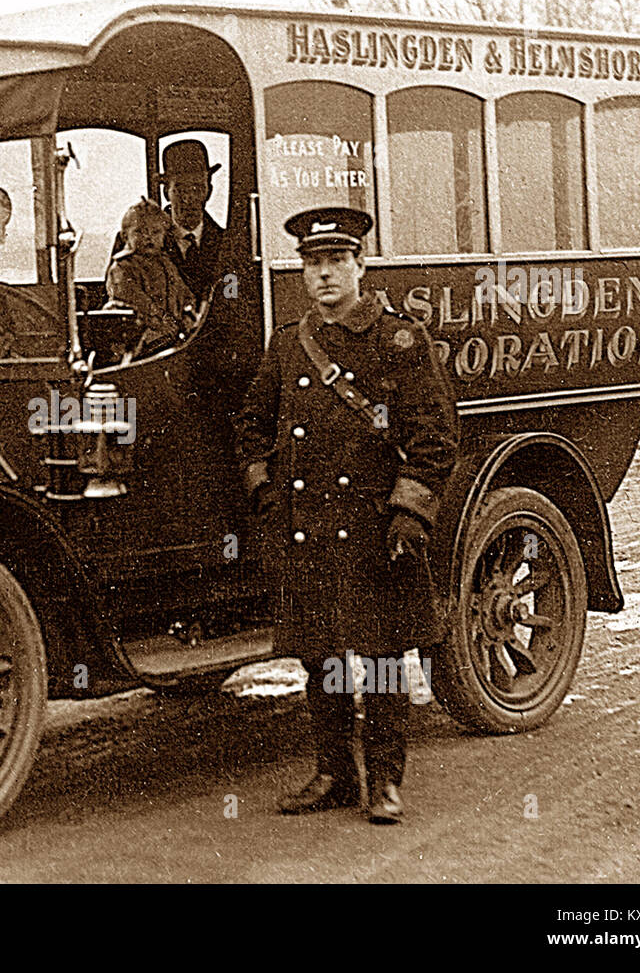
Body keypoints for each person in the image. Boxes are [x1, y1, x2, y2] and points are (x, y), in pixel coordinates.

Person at [235, 206, 459, 824]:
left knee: (382, 658)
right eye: (314, 263)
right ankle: (334, 775)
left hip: (374, 531)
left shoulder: (399, 340)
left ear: (361, 265)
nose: (326, 274)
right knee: (323, 658)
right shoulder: (288, 343)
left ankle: (385, 783)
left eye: (337, 261)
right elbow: (252, 423)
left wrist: (409, 514)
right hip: (307, 528)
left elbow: (436, 437)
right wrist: (263, 488)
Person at [108, 139, 225, 301]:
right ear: (166, 192)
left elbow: (231, 293)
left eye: (197, 188)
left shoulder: (226, 242)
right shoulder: (132, 241)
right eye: (180, 188)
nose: (188, 198)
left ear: (209, 191)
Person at [104, 198, 195, 355]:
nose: (148, 237)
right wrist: (162, 320)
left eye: (156, 232)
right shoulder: (123, 267)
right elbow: (136, 300)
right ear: (125, 236)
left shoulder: (166, 264)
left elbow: (183, 292)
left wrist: (188, 313)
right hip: (139, 338)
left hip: (170, 335)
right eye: (139, 231)